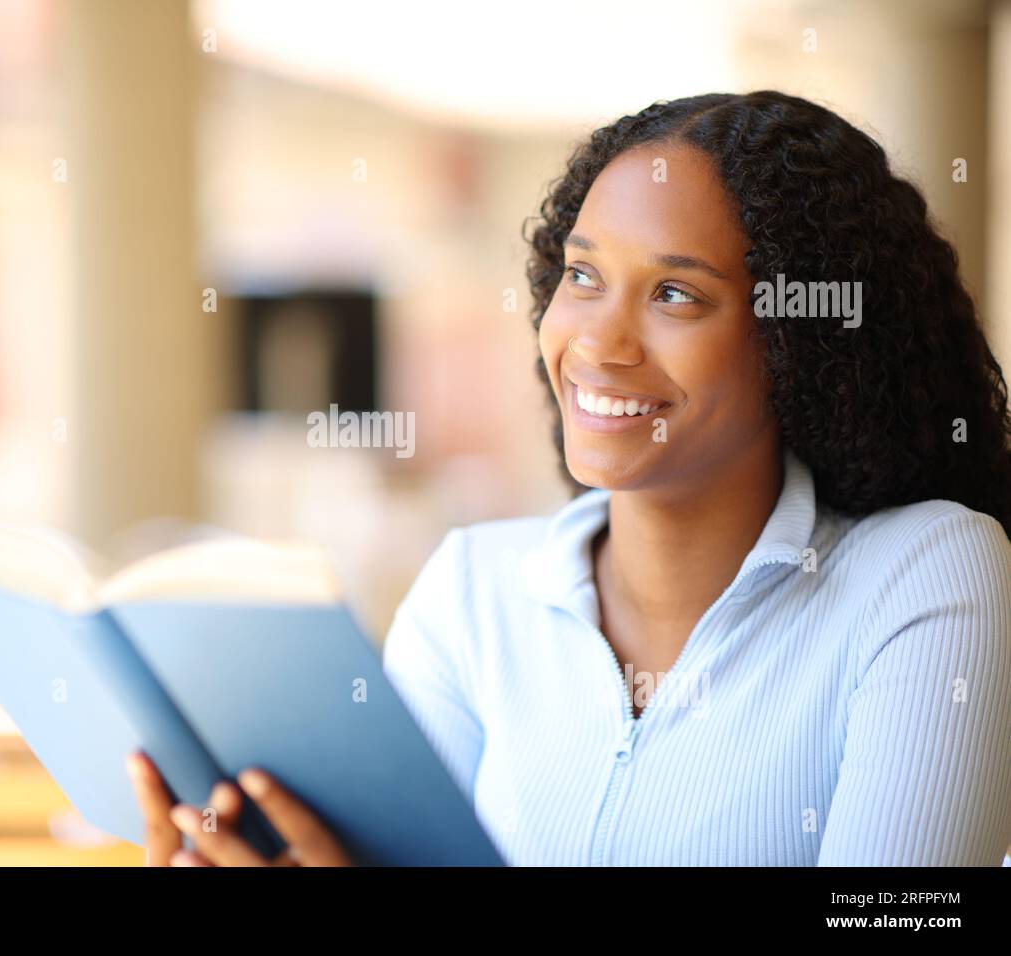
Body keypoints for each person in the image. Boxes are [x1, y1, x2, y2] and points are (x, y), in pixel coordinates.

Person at [127, 91, 1011, 866]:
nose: (597, 342)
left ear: (802, 346)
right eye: (583, 275)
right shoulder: (471, 595)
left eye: (675, 295)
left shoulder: (926, 576)